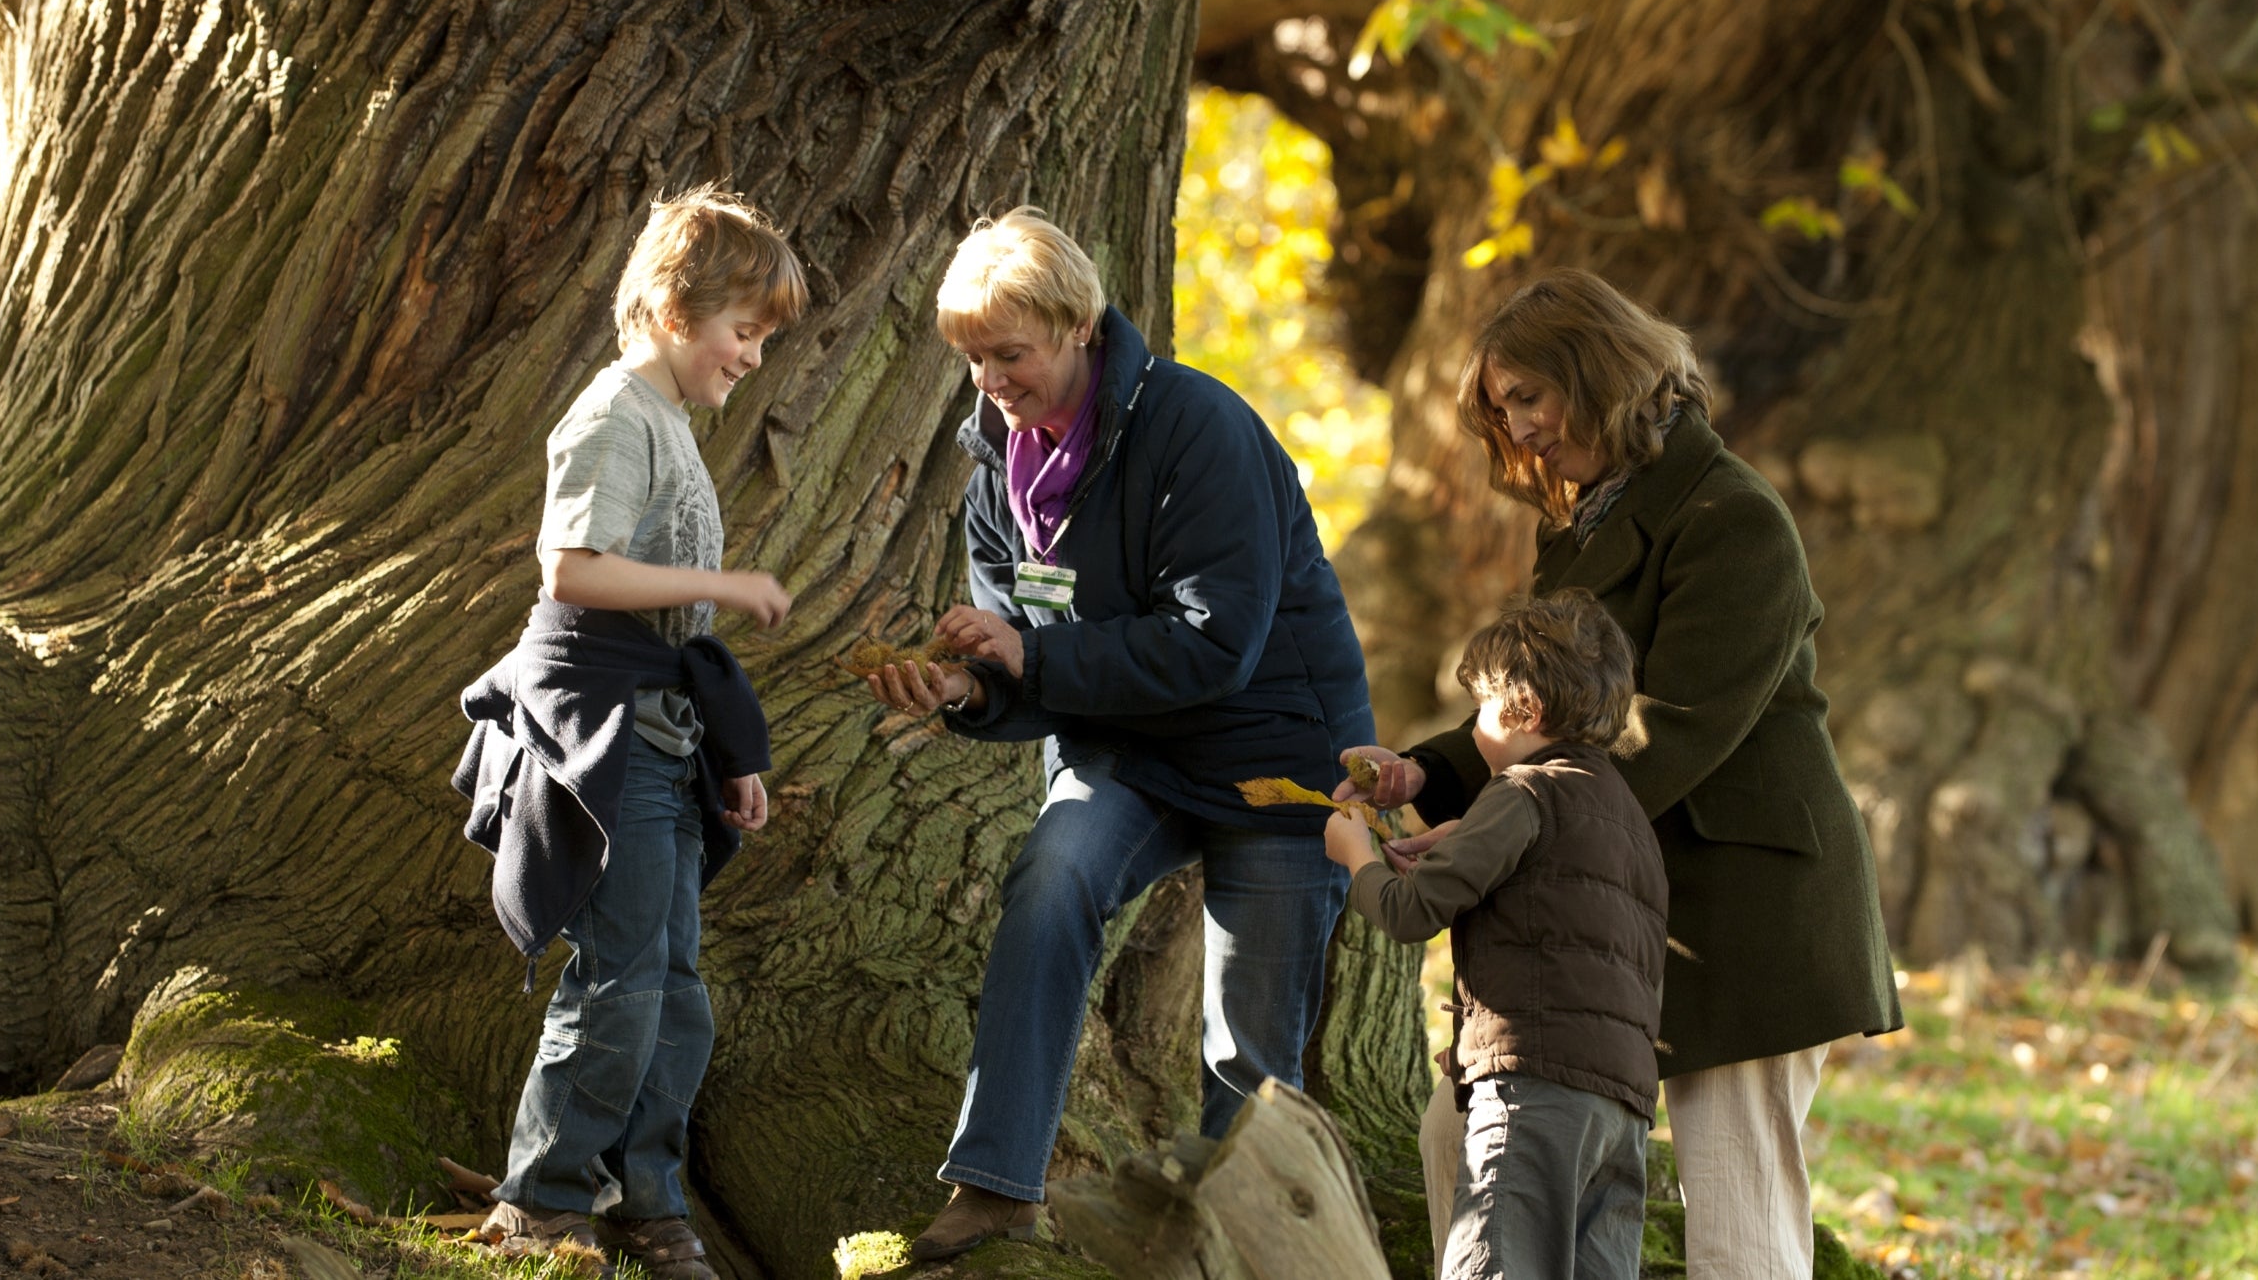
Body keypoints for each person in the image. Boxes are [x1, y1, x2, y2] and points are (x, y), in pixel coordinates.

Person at [1340, 270, 1901, 1280]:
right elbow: (1543, 710)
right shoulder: (1583, 525)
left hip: (1745, 908)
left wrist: (1480, 836)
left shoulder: (1736, 516)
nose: (1520, 428)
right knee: (1458, 1133)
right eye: (1502, 406)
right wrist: (1419, 771)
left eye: (1531, 396)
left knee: (1741, 1219)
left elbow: (1663, 733)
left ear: (1602, 376)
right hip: (1603, 914)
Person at [857, 208, 1374, 1262]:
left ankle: (1251, 1249)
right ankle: (997, 1182)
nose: (993, 379)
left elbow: (1213, 643)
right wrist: (966, 688)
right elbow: (1027, 661)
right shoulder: (997, 467)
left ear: (1079, 326)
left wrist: (1026, 656)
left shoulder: (1196, 428)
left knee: (1251, 1050)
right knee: (1051, 879)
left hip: (1272, 756)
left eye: (1013, 352)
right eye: (973, 358)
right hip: (1128, 752)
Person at [453, 188, 807, 1277]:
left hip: (662, 740)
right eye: (742, 329)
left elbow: (668, 635)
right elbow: (572, 571)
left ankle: (646, 1201)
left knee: (675, 983)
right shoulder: (613, 413)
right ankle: (540, 1201)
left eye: (761, 336)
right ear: (669, 305)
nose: (751, 356)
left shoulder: (671, 428)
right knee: (619, 979)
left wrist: (726, 757)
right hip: (603, 739)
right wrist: (727, 582)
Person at [1327, 591, 1665, 1280]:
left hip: (1534, 1093)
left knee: (1500, 1263)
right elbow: (1572, 934)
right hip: (1623, 1105)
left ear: (1524, 711)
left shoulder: (1520, 792)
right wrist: (1464, 840)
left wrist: (1356, 856)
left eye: (1479, 707)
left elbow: (1412, 911)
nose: (1473, 725)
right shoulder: (1627, 817)